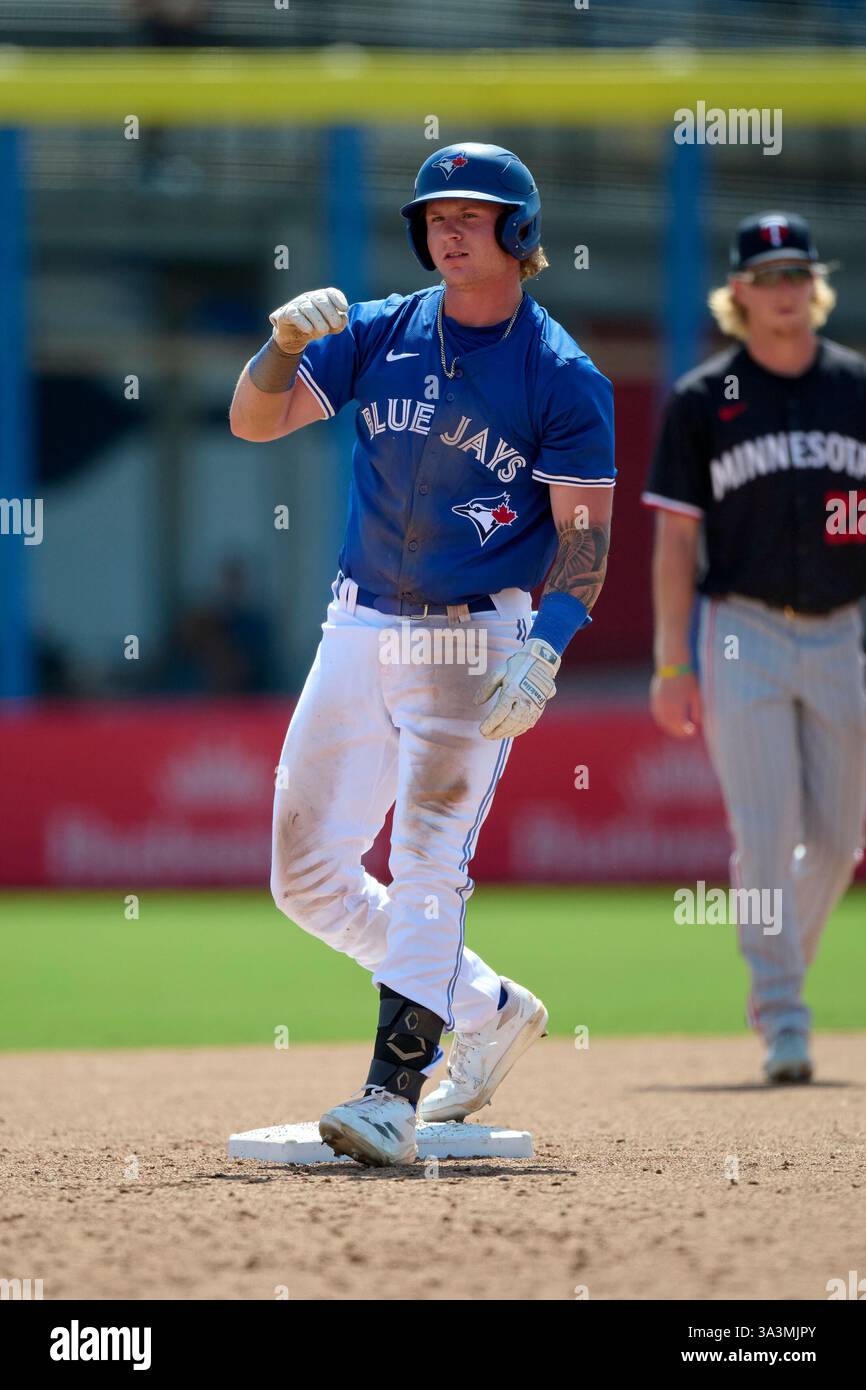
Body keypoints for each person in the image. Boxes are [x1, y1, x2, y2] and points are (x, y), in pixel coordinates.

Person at [230, 143, 615, 1164]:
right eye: (434, 214)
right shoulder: (382, 330)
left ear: (519, 234)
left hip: (467, 634)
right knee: (306, 876)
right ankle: (484, 1006)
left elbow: (584, 539)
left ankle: (391, 1092)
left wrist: (546, 645)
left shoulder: (559, 374)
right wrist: (275, 347)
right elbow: (254, 420)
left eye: (470, 214)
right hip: (356, 624)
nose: (446, 229)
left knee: (428, 858)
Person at [644, 211, 866, 1084]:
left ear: (816, 284)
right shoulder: (704, 401)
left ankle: (778, 982)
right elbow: (672, 544)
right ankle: (783, 1014)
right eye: (768, 277)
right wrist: (672, 662)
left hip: (844, 629)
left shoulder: (857, 387)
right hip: (740, 631)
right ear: (738, 292)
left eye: (797, 274)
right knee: (767, 836)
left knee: (840, 842)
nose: (786, 291)